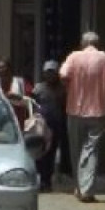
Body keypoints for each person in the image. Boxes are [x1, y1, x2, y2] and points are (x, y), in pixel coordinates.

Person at [60, 32, 105, 203]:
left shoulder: (74, 57)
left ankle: (80, 187)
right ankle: (86, 189)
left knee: (76, 149)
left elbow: (63, 75)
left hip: (75, 109)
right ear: (97, 44)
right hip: (98, 111)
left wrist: (70, 89)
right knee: (91, 150)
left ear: (83, 43)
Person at [32, 60, 67, 192]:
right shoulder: (38, 88)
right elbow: (33, 105)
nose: (50, 75)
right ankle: (39, 179)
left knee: (51, 153)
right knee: (39, 152)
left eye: (53, 72)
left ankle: (47, 181)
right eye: (48, 72)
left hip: (56, 126)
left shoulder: (62, 89)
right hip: (41, 126)